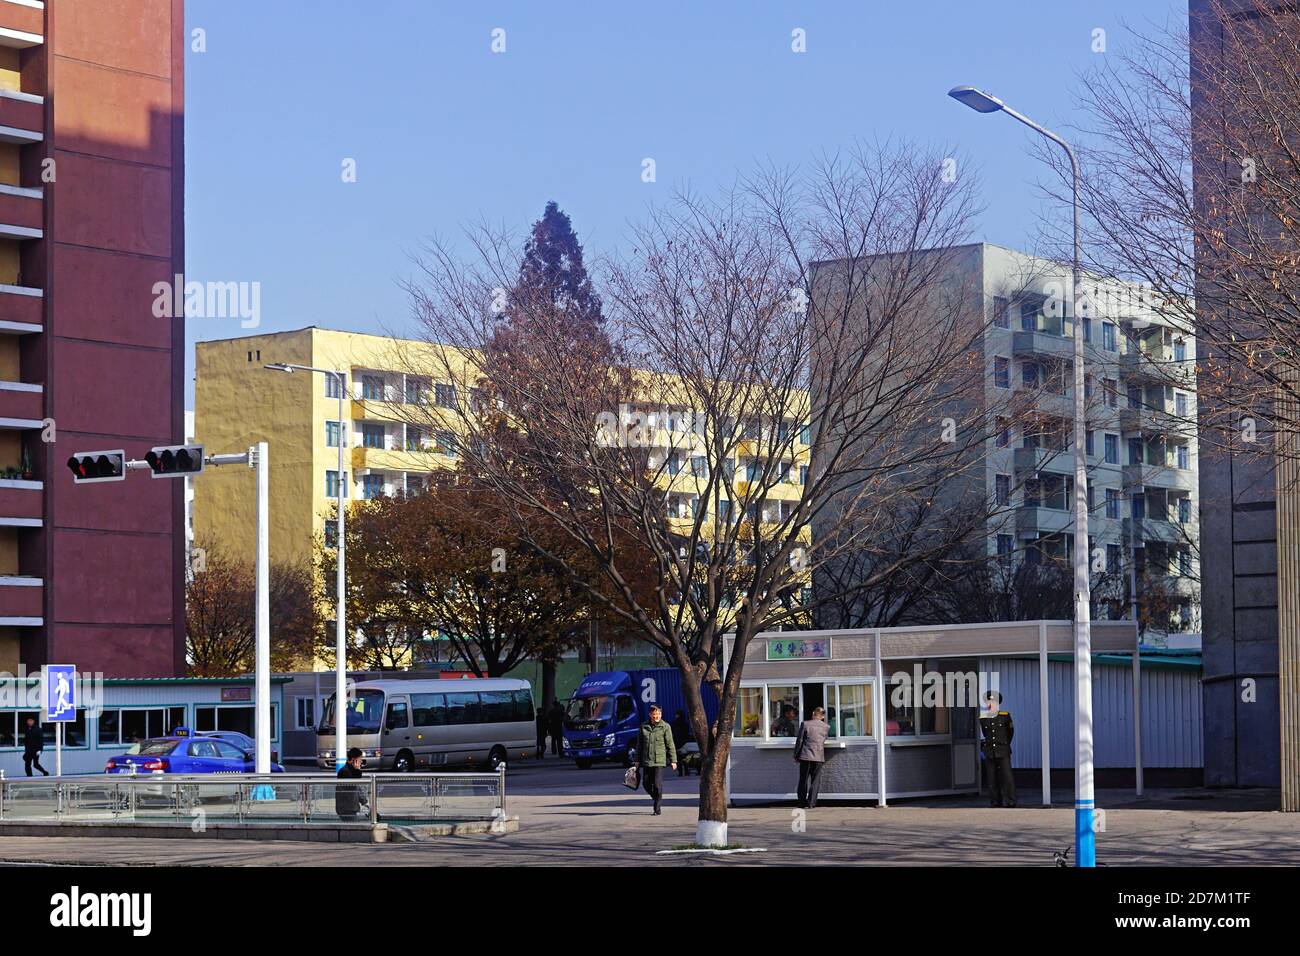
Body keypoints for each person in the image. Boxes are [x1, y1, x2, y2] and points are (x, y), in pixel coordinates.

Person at [635, 704, 676, 814]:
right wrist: (637, 760)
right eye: (654, 714)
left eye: (658, 714)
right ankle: (657, 798)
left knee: (657, 784)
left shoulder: (665, 727)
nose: (656, 716)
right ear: (650, 714)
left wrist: (673, 760)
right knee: (646, 783)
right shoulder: (643, 727)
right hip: (647, 760)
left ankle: (657, 808)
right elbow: (639, 745)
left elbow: (670, 744)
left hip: (659, 760)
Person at [979, 691, 1016, 808]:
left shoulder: (1005, 716)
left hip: (1003, 750)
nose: (991, 704)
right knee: (991, 778)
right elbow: (986, 734)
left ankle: (1010, 801)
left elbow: (1010, 733)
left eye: (993, 701)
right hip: (990, 751)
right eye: (989, 701)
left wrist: (1003, 744)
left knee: (1007, 777)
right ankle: (995, 801)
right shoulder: (983, 718)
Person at [792, 706, 829, 809]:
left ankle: (802, 803)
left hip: (805, 756)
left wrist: (796, 755)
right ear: (822, 717)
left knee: (803, 780)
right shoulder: (826, 727)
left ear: (813, 714)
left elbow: (799, 741)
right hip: (818, 756)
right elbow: (824, 739)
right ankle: (812, 803)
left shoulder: (805, 724)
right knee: (815, 780)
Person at [335, 747, 368, 820]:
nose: (361, 762)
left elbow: (357, 787)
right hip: (346, 809)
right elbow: (353, 787)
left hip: (350, 808)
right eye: (359, 759)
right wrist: (357, 770)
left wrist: (364, 801)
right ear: (354, 760)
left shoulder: (350, 770)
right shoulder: (345, 772)